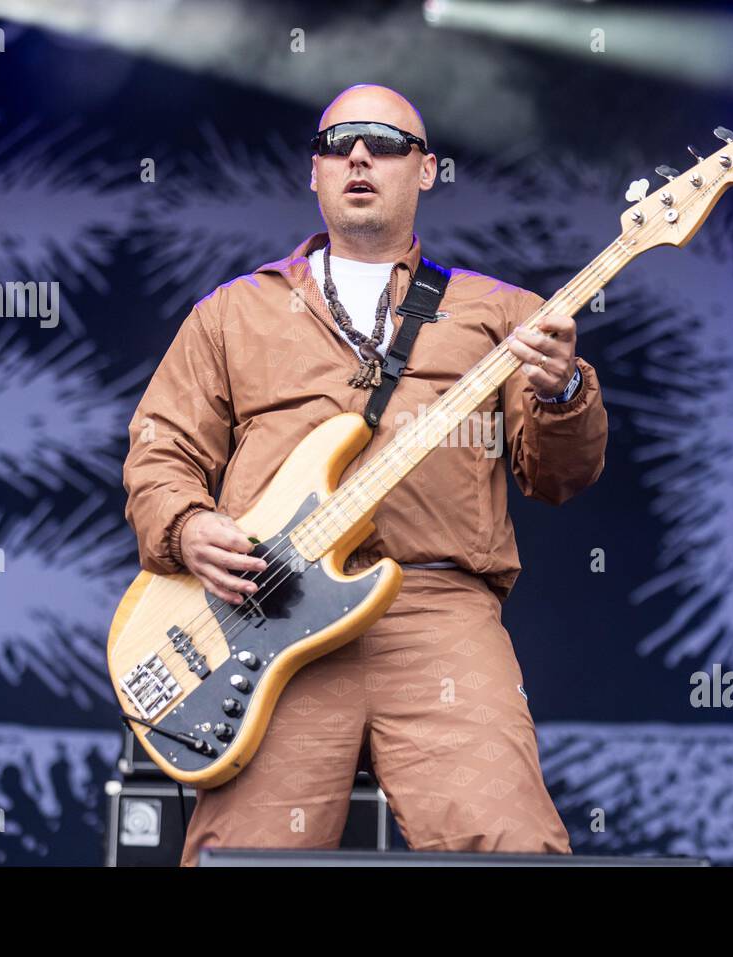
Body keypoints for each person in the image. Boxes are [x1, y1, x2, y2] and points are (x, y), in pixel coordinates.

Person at [122, 84, 608, 864]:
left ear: (426, 171)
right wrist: (187, 526)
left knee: (510, 845)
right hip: (270, 617)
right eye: (339, 142)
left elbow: (558, 476)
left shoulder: (501, 312)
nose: (359, 155)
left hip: (437, 611)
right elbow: (160, 447)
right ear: (312, 171)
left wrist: (565, 390)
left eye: (386, 142)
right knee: (243, 854)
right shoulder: (233, 311)